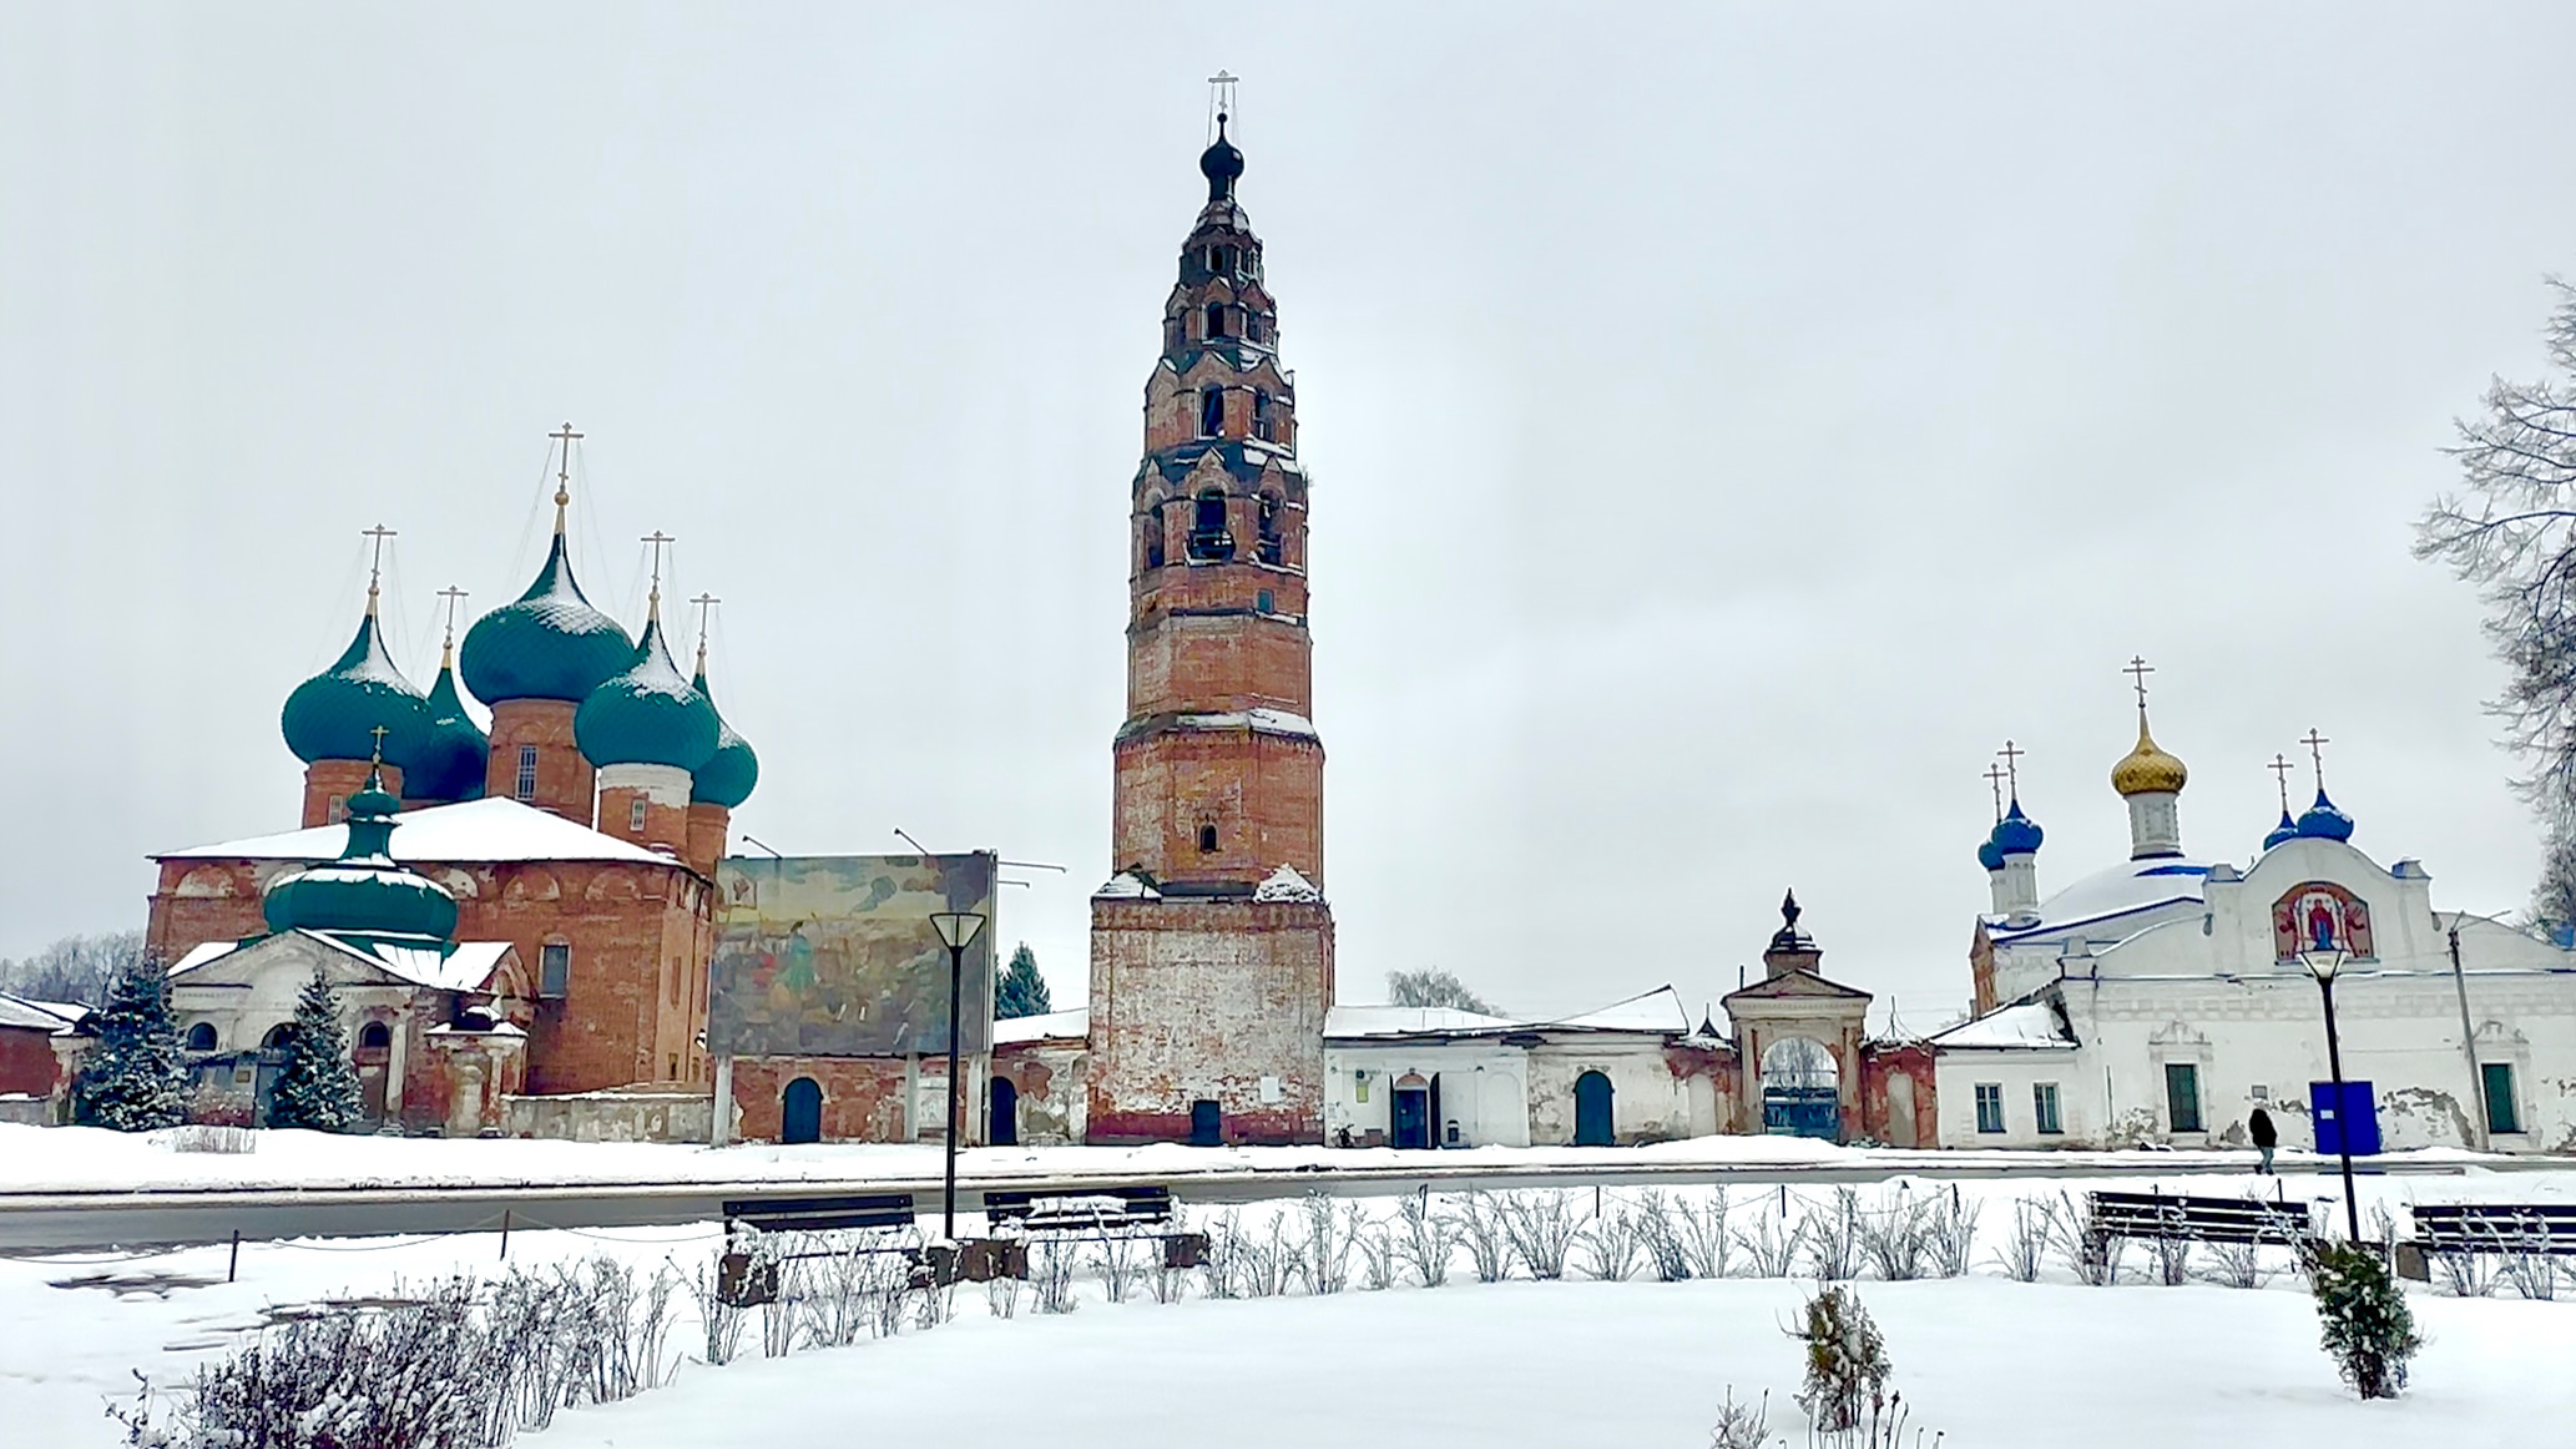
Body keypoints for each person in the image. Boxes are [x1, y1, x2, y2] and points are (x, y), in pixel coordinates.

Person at [2249, 1105, 2278, 1175]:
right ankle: (2261, 1167)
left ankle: (2269, 1169)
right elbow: (2269, 1130)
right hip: (2266, 1141)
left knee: (2269, 1156)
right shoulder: (2264, 1119)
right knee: (2269, 1156)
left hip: (2263, 1141)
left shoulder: (2255, 1120)